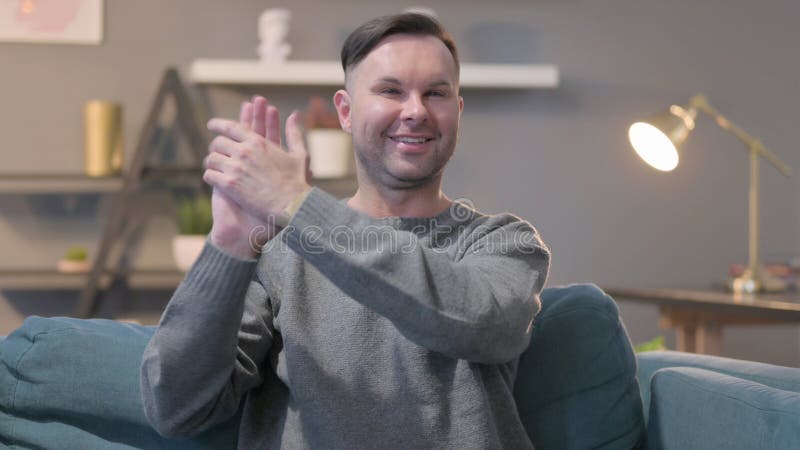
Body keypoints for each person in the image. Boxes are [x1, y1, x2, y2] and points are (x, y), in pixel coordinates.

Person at [140, 12, 550, 449]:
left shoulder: (506, 242)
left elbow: (477, 323)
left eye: (436, 93)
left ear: (457, 111)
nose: (415, 110)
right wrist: (230, 245)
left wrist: (298, 206)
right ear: (346, 111)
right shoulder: (279, 253)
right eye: (390, 90)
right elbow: (176, 408)